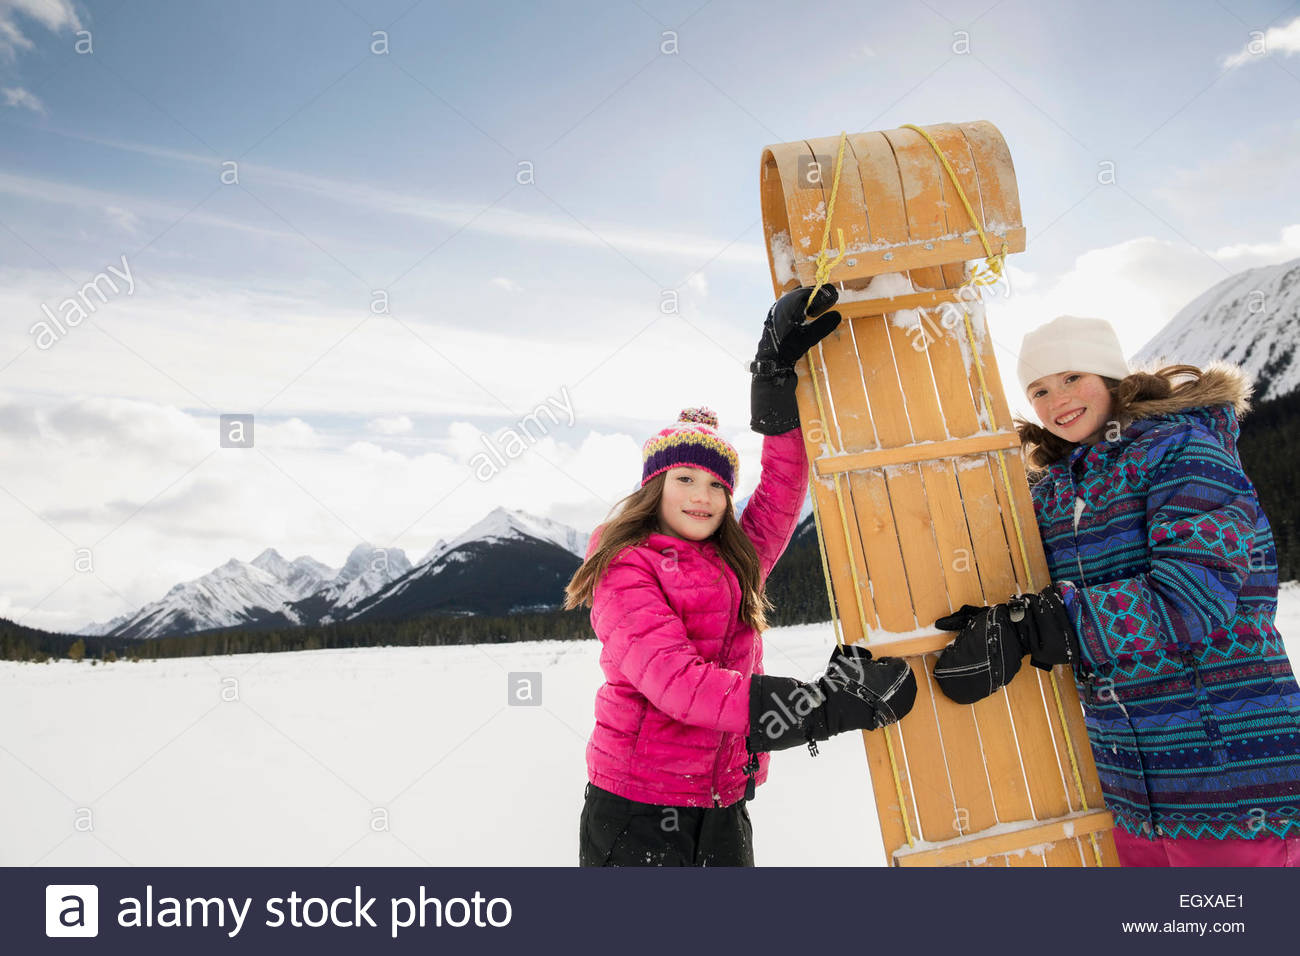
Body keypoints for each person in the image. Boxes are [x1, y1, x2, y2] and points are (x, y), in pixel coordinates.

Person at [564, 285, 917, 867]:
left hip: (724, 800)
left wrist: (774, 377)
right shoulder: (624, 565)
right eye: (685, 480)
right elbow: (677, 682)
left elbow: (782, 485)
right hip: (638, 810)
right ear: (654, 487)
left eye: (717, 487)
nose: (703, 497)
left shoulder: (735, 560)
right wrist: (818, 706)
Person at [932, 314, 1300, 866]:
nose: (1056, 399)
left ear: (1111, 378)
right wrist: (1005, 621)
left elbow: (1193, 596)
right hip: (1133, 790)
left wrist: (1043, 626)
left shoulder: (1185, 452)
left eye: (1071, 377)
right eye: (1039, 390)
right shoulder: (1056, 490)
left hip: (1234, 775)